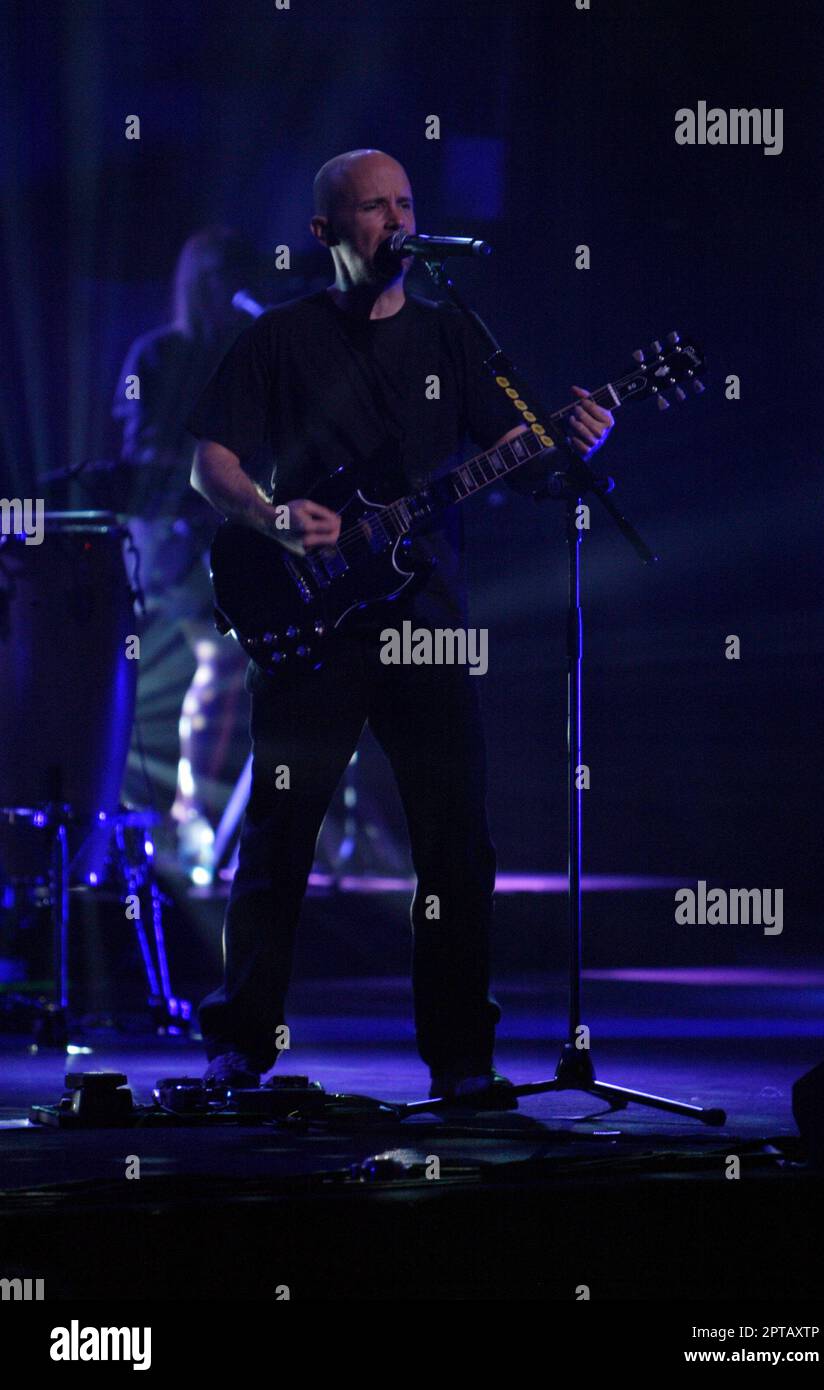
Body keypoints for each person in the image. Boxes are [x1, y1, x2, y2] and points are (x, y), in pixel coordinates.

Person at [187, 149, 614, 1105]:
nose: (395, 220)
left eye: (406, 203)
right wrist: (271, 516)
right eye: (373, 208)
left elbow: (517, 460)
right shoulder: (278, 342)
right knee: (279, 832)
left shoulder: (453, 337)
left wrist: (566, 443)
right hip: (313, 622)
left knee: (455, 842)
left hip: (426, 622)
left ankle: (462, 1059)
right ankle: (241, 1045)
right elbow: (207, 461)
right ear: (325, 232)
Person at [113, 227, 258, 877]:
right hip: (165, 537)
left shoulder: (249, 350)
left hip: (230, 535)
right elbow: (135, 454)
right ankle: (180, 812)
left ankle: (196, 811)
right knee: (211, 656)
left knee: (230, 662)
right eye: (219, 275)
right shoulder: (157, 354)